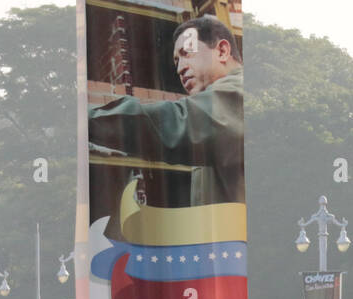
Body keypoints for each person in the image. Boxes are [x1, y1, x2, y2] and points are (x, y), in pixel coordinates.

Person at [88, 15, 244, 206]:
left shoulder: (241, 90)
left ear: (221, 51)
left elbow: (177, 122)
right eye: (176, 61)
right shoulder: (218, 117)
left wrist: (86, 119)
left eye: (187, 53)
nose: (179, 68)